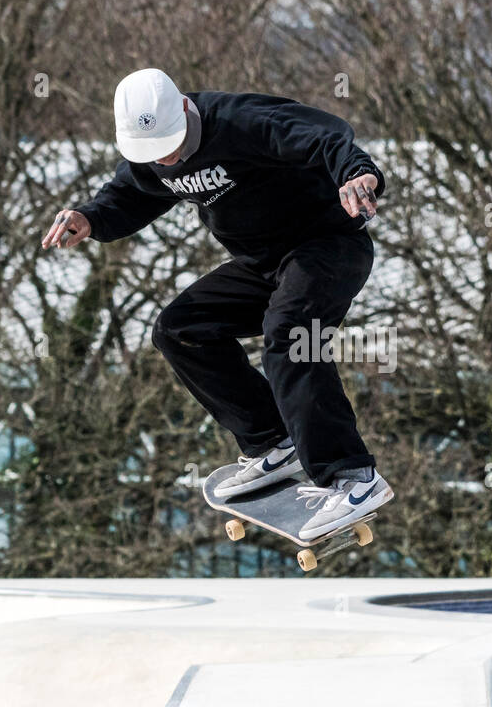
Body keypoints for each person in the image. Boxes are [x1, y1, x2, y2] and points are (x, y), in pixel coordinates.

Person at [42, 68, 392, 541]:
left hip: (326, 247)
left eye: (171, 145)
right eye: (154, 154)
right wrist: (90, 217)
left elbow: (324, 135)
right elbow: (128, 194)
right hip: (262, 263)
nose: (166, 160)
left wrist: (356, 174)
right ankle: (273, 440)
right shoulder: (150, 157)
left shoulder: (242, 121)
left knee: (290, 337)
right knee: (180, 329)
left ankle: (352, 477)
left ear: (184, 110)